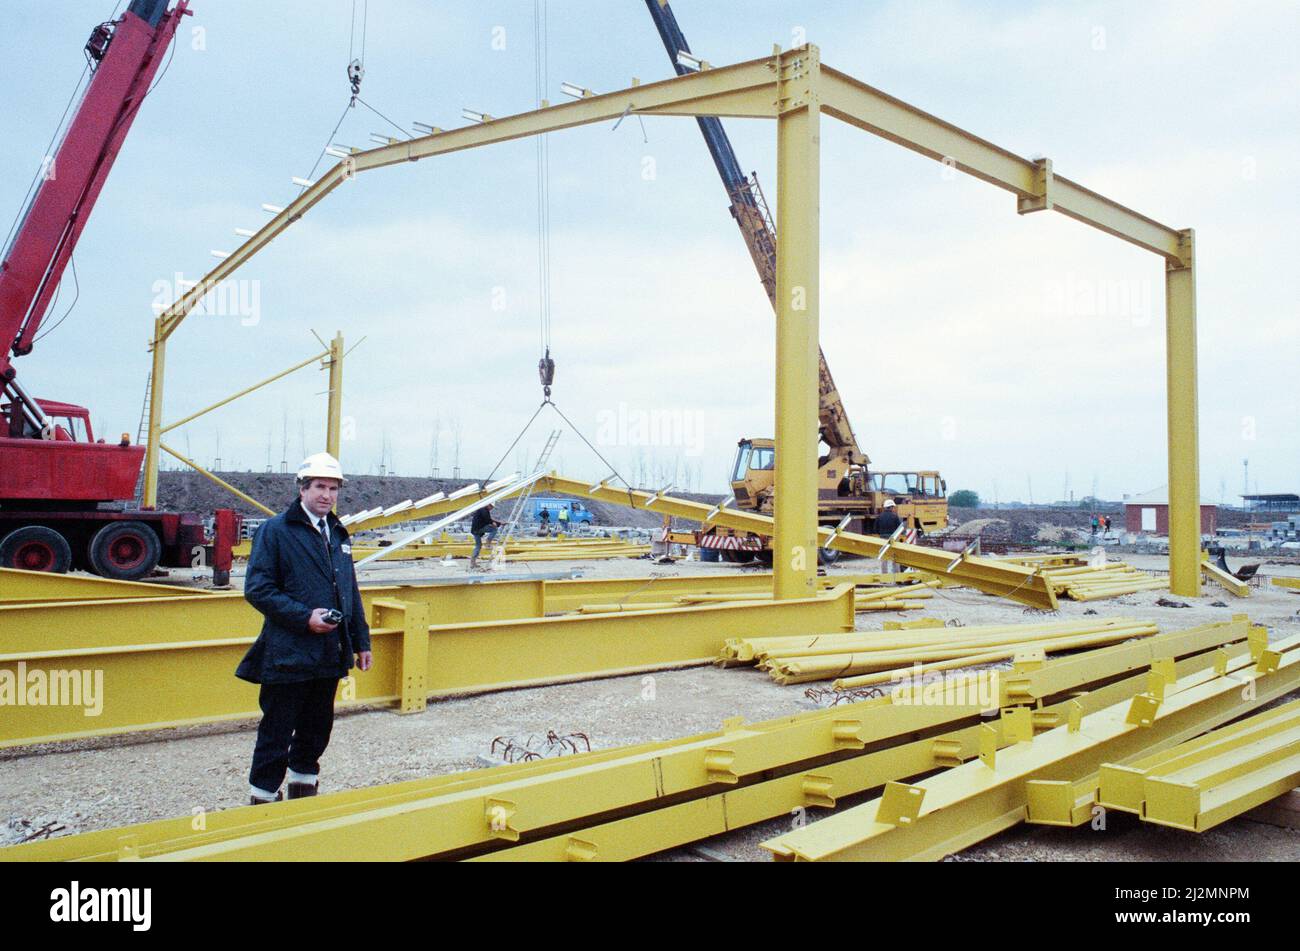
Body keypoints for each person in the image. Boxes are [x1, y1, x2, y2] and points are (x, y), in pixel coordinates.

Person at [236, 452, 372, 805]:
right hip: (288, 654)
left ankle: (302, 793)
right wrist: (304, 617)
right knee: (276, 732)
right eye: (320, 487)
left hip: (329, 654)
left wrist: (361, 640)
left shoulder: (338, 534)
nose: (327, 495)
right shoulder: (276, 531)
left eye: (333, 488)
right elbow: (258, 589)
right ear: (302, 490)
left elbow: (349, 592)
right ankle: (262, 801)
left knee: (316, 728)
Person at [469, 503, 503, 570]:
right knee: (494, 529)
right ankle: (488, 542)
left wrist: (499, 523)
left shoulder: (482, 510)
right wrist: (493, 523)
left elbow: (489, 519)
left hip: (475, 530)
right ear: (488, 505)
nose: (491, 508)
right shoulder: (483, 510)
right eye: (491, 507)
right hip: (478, 529)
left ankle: (472, 562)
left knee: (478, 546)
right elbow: (488, 519)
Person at [875, 500, 902, 573]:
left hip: (883, 538)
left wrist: (881, 534)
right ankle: (897, 576)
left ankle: (884, 577)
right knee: (895, 557)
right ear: (891, 507)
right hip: (893, 538)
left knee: (884, 558)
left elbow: (875, 529)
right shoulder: (895, 516)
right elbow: (899, 528)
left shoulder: (879, 517)